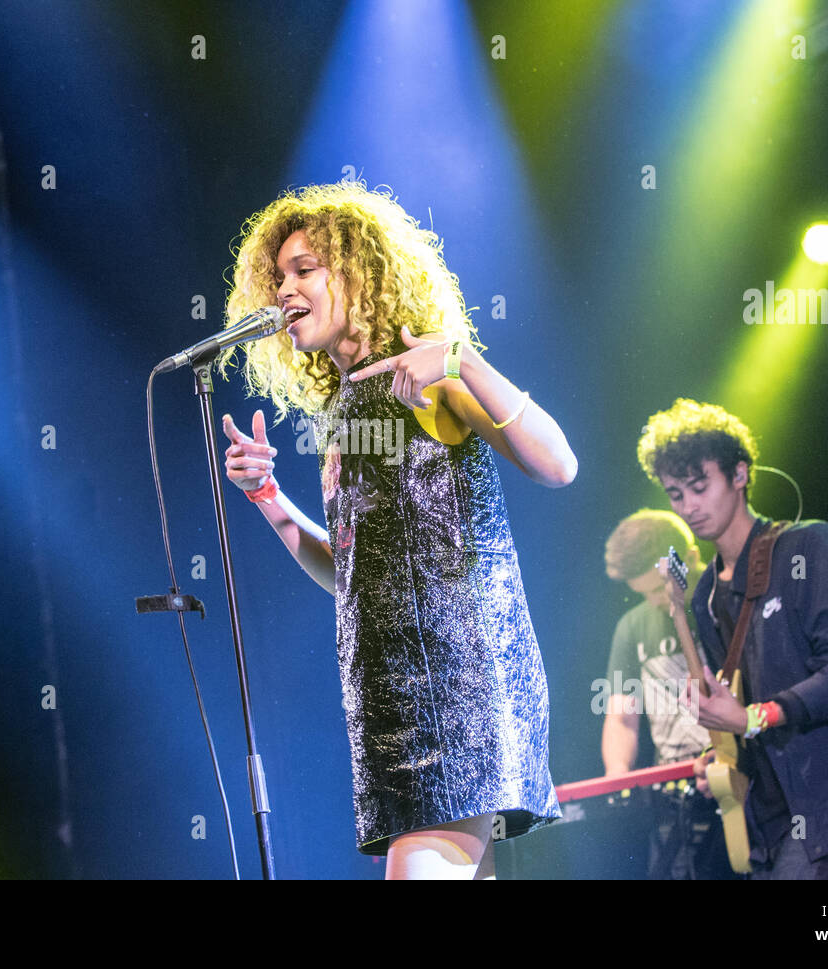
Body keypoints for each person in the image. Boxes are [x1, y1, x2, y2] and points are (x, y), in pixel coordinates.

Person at [216, 181, 578, 879]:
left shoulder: (432, 375)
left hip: (459, 682)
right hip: (386, 697)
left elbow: (558, 463)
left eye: (304, 269)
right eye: (277, 276)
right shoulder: (344, 408)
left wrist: (462, 357)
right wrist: (266, 495)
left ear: (358, 272)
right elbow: (347, 575)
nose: (284, 290)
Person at [637, 398, 828, 879]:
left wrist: (753, 716)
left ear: (739, 475)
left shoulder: (810, 546)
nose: (688, 506)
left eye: (698, 486)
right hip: (772, 825)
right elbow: (743, 708)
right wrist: (726, 755)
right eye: (675, 494)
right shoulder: (706, 595)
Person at [601, 509, 736, 879]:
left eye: (659, 587)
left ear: (689, 558)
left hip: (739, 781)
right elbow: (622, 716)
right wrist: (618, 775)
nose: (658, 599)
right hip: (674, 798)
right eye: (644, 593)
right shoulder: (631, 626)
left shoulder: (728, 601)